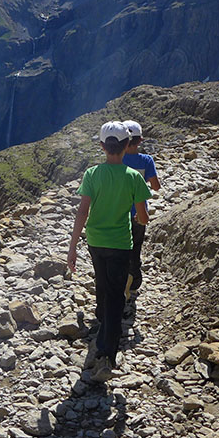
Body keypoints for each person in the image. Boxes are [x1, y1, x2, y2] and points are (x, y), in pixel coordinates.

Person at [67, 121, 151, 381]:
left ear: (102, 146)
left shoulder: (92, 174)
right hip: (120, 243)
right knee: (116, 297)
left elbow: (82, 212)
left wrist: (72, 249)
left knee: (101, 283)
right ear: (127, 146)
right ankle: (106, 354)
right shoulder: (134, 177)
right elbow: (143, 217)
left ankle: (101, 324)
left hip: (95, 241)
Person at [121, 120, 161, 304]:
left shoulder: (117, 159)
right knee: (136, 249)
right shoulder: (146, 160)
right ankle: (134, 285)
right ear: (141, 140)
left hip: (118, 212)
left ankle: (119, 284)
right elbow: (156, 186)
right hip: (139, 213)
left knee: (119, 249)